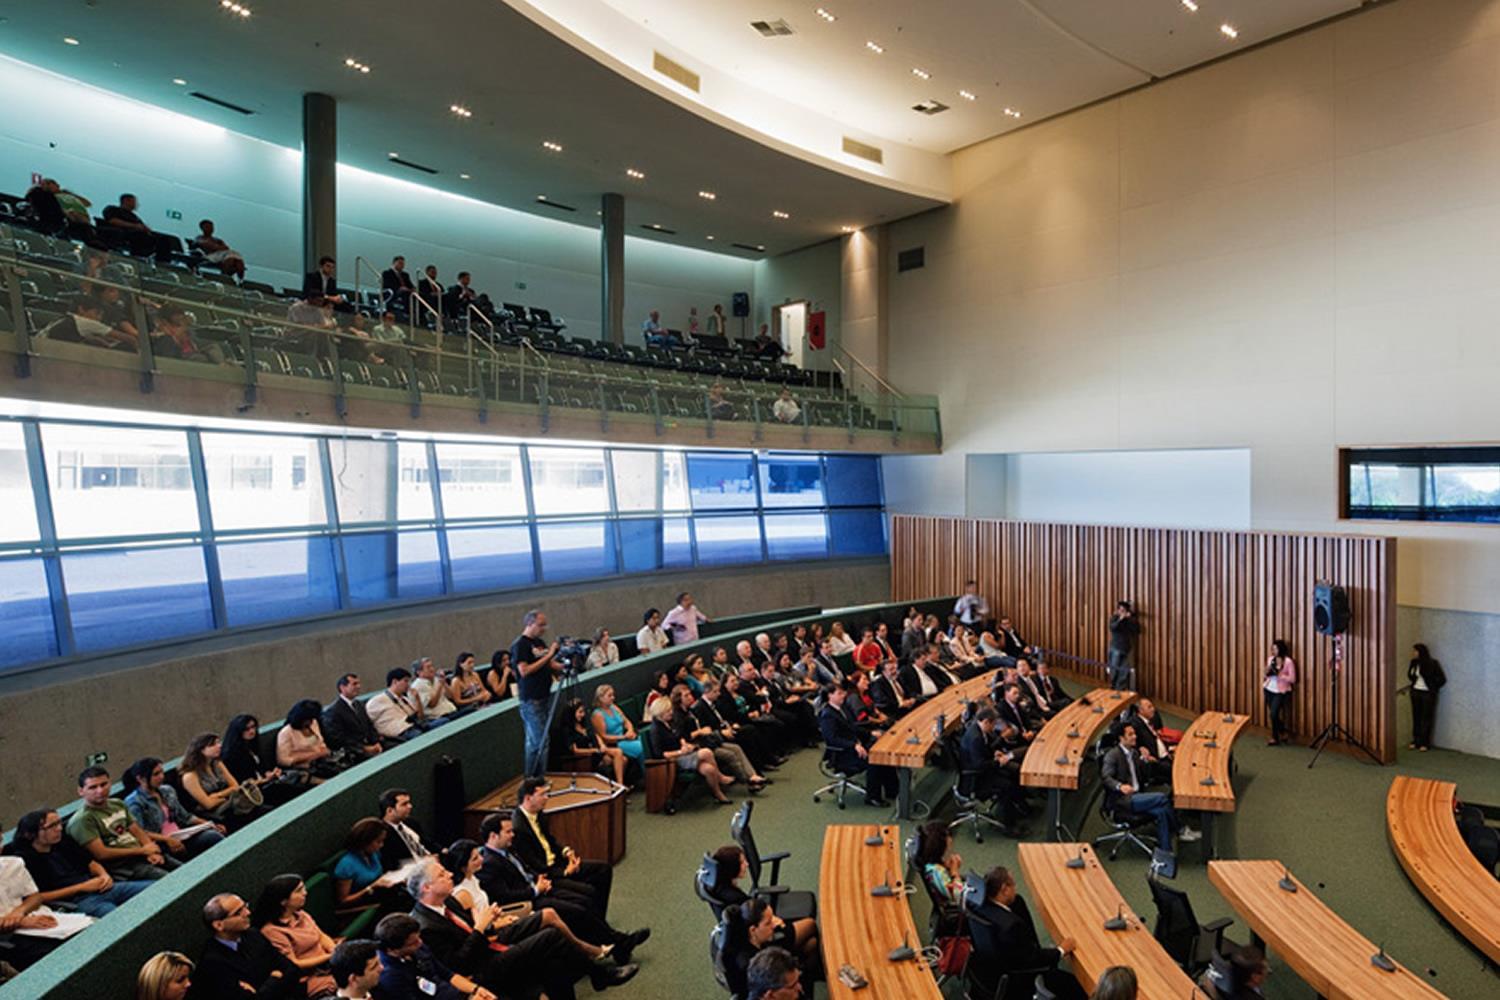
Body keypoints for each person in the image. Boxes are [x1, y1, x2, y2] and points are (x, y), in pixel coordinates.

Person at [405, 857, 634, 999]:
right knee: (551, 938)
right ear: (427, 887)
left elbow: (472, 932)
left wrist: (490, 924)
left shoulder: (448, 902)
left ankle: (598, 973)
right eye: (441, 874)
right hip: (482, 967)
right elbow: (459, 964)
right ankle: (599, 974)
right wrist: (480, 928)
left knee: (553, 955)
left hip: (488, 941)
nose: (449, 874)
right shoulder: (426, 926)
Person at [475, 812, 650, 960]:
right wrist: (536, 889)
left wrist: (539, 879)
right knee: (577, 910)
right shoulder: (490, 863)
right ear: (493, 836)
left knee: (585, 900)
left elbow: (526, 870)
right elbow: (505, 896)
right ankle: (621, 943)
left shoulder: (507, 849)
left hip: (540, 888)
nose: (513, 834)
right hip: (529, 902)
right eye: (508, 832)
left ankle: (616, 944)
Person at [8, 809, 153, 916]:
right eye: (52, 826)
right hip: (77, 901)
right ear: (31, 834)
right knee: (121, 917)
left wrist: (104, 875)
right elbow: (39, 896)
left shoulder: (63, 841)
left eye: (59, 823)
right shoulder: (23, 861)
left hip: (101, 887)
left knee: (154, 890)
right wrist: (82, 887)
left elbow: (91, 862)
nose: (59, 829)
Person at [969, 866, 1084, 1000]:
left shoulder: (974, 905)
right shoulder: (1011, 926)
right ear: (1004, 890)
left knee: (1017, 901)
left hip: (985, 968)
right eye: (1013, 885)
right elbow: (1031, 959)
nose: (1015, 889)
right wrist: (1061, 950)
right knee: (1076, 986)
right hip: (1016, 980)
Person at [513, 778, 615, 913]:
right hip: (548, 874)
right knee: (588, 892)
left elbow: (550, 840)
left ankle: (599, 920)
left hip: (558, 863)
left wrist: (566, 852)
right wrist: (565, 872)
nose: (547, 798)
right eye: (542, 794)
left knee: (604, 870)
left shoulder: (540, 815)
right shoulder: (519, 828)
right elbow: (534, 865)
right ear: (528, 798)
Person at [68, 766, 180, 880]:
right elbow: (102, 853)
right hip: (125, 868)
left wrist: (151, 850)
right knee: (170, 880)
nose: (100, 791)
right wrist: (142, 851)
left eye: (104, 784)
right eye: (93, 787)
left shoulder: (117, 804)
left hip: (143, 855)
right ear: (81, 791)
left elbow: (136, 830)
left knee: (184, 870)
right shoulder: (82, 820)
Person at [1101, 724, 1198, 850]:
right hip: (1122, 800)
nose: (1135, 737)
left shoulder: (1134, 753)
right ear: (1121, 738)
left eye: (1134, 733)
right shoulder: (1112, 755)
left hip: (1138, 795)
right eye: (1130, 735)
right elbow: (1105, 777)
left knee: (1162, 811)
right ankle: (1180, 830)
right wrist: (1119, 786)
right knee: (1163, 798)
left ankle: (1165, 850)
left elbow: (1143, 775)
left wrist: (1145, 761)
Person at [191, 892, 301, 999]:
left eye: (245, 906)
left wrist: (264, 988)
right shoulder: (212, 962)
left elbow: (292, 969)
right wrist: (274, 978)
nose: (247, 913)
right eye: (238, 912)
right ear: (219, 925)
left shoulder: (253, 935)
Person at [374, 913, 496, 1000]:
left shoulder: (418, 947)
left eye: (419, 937)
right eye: (413, 943)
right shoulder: (391, 976)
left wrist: (476, 989)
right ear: (393, 949)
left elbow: (447, 974)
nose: (420, 943)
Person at [253, 875, 338, 998]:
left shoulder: (301, 915)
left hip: (327, 966)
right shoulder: (271, 931)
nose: (305, 893)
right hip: (307, 979)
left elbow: (320, 936)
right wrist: (329, 956)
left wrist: (334, 949)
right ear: (283, 901)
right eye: (299, 891)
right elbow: (294, 964)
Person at [124, 757, 226, 858]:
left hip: (181, 835)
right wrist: (167, 840)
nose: (161, 777)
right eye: (156, 774)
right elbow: (141, 832)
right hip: (161, 843)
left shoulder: (167, 791)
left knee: (213, 835)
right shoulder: (134, 802)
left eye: (161, 772)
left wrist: (209, 824)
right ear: (140, 779)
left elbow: (185, 817)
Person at [819, 682, 898, 806]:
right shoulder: (827, 715)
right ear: (830, 696)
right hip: (842, 753)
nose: (844, 695)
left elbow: (853, 727)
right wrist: (853, 745)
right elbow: (832, 739)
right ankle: (872, 797)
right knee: (874, 760)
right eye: (839, 693)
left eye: (843, 692)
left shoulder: (842, 709)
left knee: (882, 753)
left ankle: (893, 790)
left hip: (854, 746)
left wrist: (871, 733)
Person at [959, 708, 1028, 835]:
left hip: (981, 772)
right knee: (1007, 786)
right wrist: (998, 762)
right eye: (993, 724)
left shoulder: (977, 730)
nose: (994, 727)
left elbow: (983, 753)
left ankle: (1016, 810)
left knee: (1011, 775)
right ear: (986, 722)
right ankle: (1009, 827)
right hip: (975, 780)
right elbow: (979, 765)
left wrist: (994, 753)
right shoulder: (975, 738)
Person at [180, 732, 268, 831]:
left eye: (218, 742)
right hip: (217, 814)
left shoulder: (217, 764)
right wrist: (225, 797)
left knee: (263, 810)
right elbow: (208, 804)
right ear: (201, 750)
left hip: (232, 805)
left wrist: (218, 795)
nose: (219, 746)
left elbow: (235, 786)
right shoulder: (190, 776)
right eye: (213, 745)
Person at [512, 610, 563, 777]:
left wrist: (566, 664)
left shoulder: (539, 643)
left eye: (545, 625)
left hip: (544, 697)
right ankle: (537, 779)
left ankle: (531, 778)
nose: (544, 628)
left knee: (532, 742)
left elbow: (551, 664)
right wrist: (549, 655)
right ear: (530, 624)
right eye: (541, 625)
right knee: (541, 742)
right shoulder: (520, 645)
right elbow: (524, 670)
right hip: (531, 699)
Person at [558, 698, 634, 786]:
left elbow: (596, 735)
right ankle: (620, 786)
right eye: (580, 712)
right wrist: (594, 750)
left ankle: (618, 785)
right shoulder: (567, 730)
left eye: (583, 711)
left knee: (623, 759)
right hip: (587, 756)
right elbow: (576, 751)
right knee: (619, 754)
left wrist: (601, 745)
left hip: (597, 750)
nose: (583, 715)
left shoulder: (583, 724)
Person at [331, 819, 401, 913]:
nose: (381, 845)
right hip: (364, 907)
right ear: (365, 841)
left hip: (379, 897)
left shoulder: (373, 854)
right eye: (378, 842)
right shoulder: (346, 865)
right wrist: (370, 888)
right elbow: (343, 901)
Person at [323, 673, 384, 758]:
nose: (358, 686)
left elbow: (369, 726)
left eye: (358, 683)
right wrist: (364, 748)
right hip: (354, 752)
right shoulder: (334, 711)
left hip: (371, 746)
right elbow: (339, 739)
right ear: (342, 687)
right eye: (354, 684)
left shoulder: (359, 704)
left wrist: (376, 742)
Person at [277, 699, 339, 778]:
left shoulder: (313, 723)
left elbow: (321, 743)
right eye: (308, 719)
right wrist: (314, 755)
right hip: (303, 768)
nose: (311, 721)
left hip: (322, 762)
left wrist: (324, 751)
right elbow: (283, 760)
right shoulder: (286, 733)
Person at [378, 788, 437, 871]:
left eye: (409, 803)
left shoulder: (411, 822)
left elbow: (426, 842)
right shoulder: (382, 833)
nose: (410, 806)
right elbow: (392, 863)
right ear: (390, 810)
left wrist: (442, 851)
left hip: (432, 863)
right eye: (404, 804)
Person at [102, 193, 172, 258]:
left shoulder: (134, 216)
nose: (136, 204)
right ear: (126, 201)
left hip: (138, 234)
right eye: (134, 201)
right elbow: (112, 221)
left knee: (163, 240)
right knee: (141, 237)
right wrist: (134, 226)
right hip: (124, 233)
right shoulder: (112, 209)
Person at [151, 304, 225, 363]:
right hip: (182, 361)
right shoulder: (164, 333)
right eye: (176, 315)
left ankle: (222, 365)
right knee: (200, 358)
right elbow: (172, 344)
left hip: (196, 356)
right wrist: (181, 329)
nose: (180, 317)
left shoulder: (189, 334)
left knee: (213, 348)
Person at [1408, 643, 1447, 752]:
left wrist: (1433, 687)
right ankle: (1416, 740)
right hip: (1416, 691)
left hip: (1427, 694)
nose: (1413, 653)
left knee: (1426, 718)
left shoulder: (1432, 663)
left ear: (1421, 652)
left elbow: (1442, 679)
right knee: (1416, 716)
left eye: (1415, 651)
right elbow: (1411, 676)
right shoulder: (1413, 663)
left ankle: (1425, 743)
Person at [915, 821, 965, 904]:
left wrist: (947, 867)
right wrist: (955, 873)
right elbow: (958, 895)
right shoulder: (937, 872)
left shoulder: (928, 862)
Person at [1263, 639, 1296, 746]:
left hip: (1280, 691)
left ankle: (1275, 737)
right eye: (1272, 648)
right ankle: (1282, 732)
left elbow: (1293, 679)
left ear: (1281, 649)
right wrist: (1266, 672)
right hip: (1269, 689)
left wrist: (1280, 675)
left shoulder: (1288, 662)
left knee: (1273, 714)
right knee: (1274, 715)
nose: (1273, 650)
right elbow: (1266, 674)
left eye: (1275, 648)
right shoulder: (1270, 659)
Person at [1107, 602, 1140, 690]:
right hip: (1115, 648)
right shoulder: (1114, 618)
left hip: (1126, 649)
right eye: (1121, 610)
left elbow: (1137, 630)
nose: (1122, 612)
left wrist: (1131, 619)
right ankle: (1112, 687)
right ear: (1117, 610)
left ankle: (1120, 689)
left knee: (1124, 671)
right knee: (1114, 670)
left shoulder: (1129, 621)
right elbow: (1112, 627)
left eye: (1124, 611)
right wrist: (1120, 620)